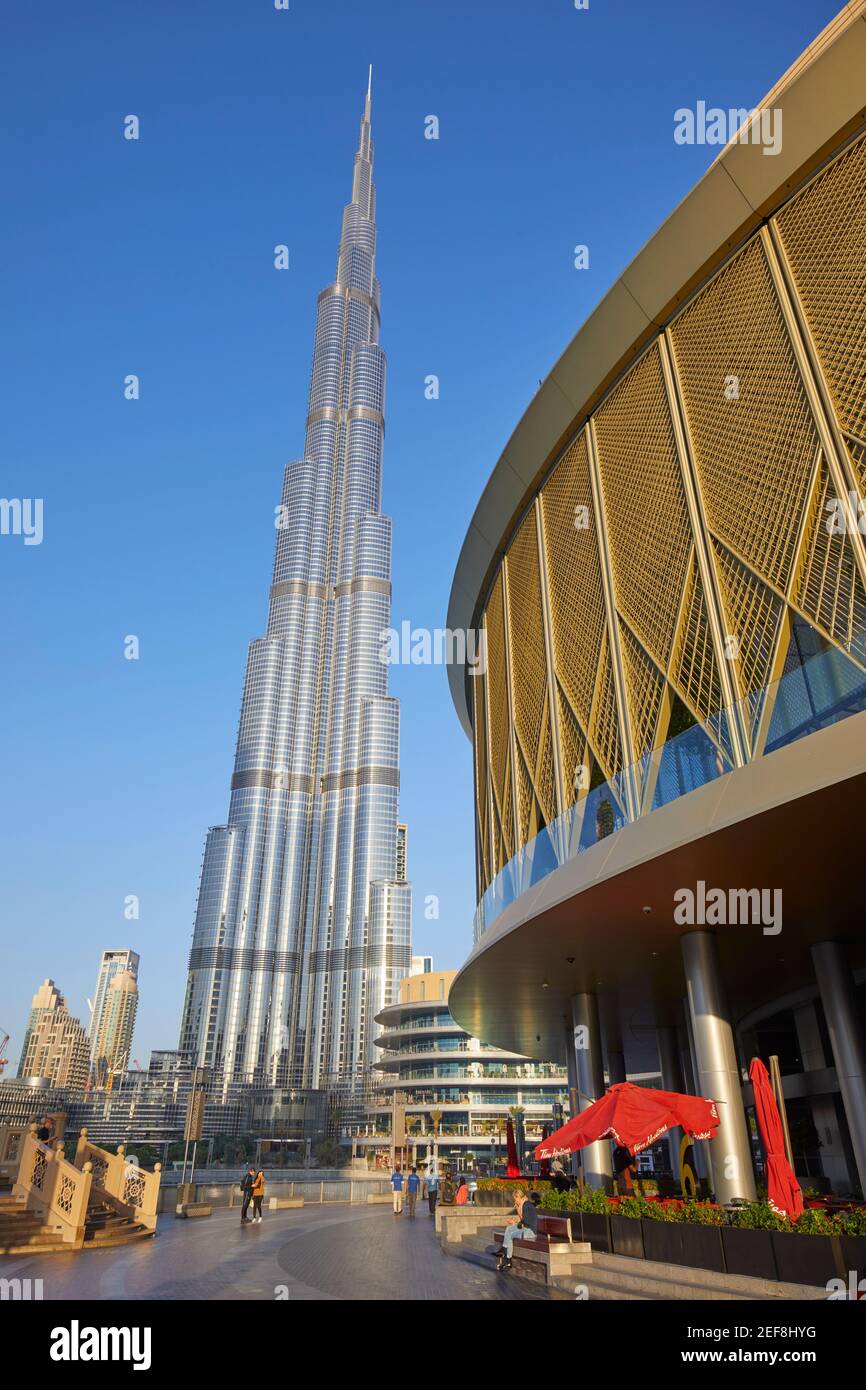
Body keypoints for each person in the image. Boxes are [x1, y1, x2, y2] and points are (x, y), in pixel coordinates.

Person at [497, 1189, 538, 1271]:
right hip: (526, 1229)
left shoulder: (526, 1205)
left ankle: (506, 1257)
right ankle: (505, 1254)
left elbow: (524, 1222)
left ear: (518, 1197)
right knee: (509, 1229)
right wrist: (515, 1222)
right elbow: (523, 1221)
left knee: (510, 1235)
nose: (514, 1201)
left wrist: (517, 1216)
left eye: (515, 1199)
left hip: (530, 1232)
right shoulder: (524, 1204)